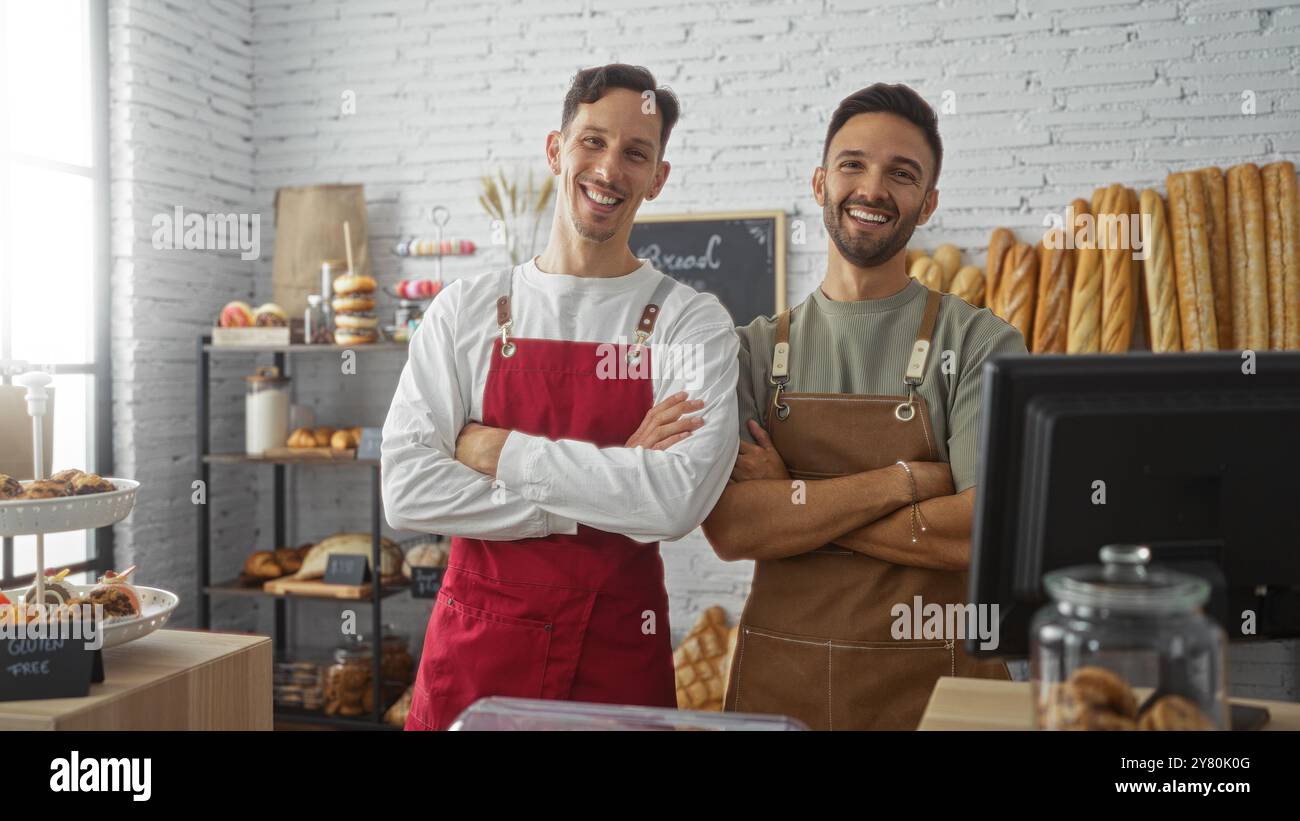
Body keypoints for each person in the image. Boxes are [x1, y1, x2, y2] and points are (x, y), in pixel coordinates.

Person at [382, 64, 739, 731]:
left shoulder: (691, 322)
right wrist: (601, 490)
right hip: (474, 658)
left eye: (636, 153)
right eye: (593, 141)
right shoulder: (466, 311)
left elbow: (674, 501)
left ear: (658, 177)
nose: (609, 168)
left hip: (616, 662)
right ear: (556, 149)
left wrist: (494, 449)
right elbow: (407, 491)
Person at [703, 83, 1024, 731]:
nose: (873, 188)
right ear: (820, 181)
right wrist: (904, 481)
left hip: (944, 690)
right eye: (853, 165)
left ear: (927, 203)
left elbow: (980, 533)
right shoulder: (751, 351)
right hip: (782, 690)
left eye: (901, 174)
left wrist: (794, 499)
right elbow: (733, 527)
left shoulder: (979, 341)